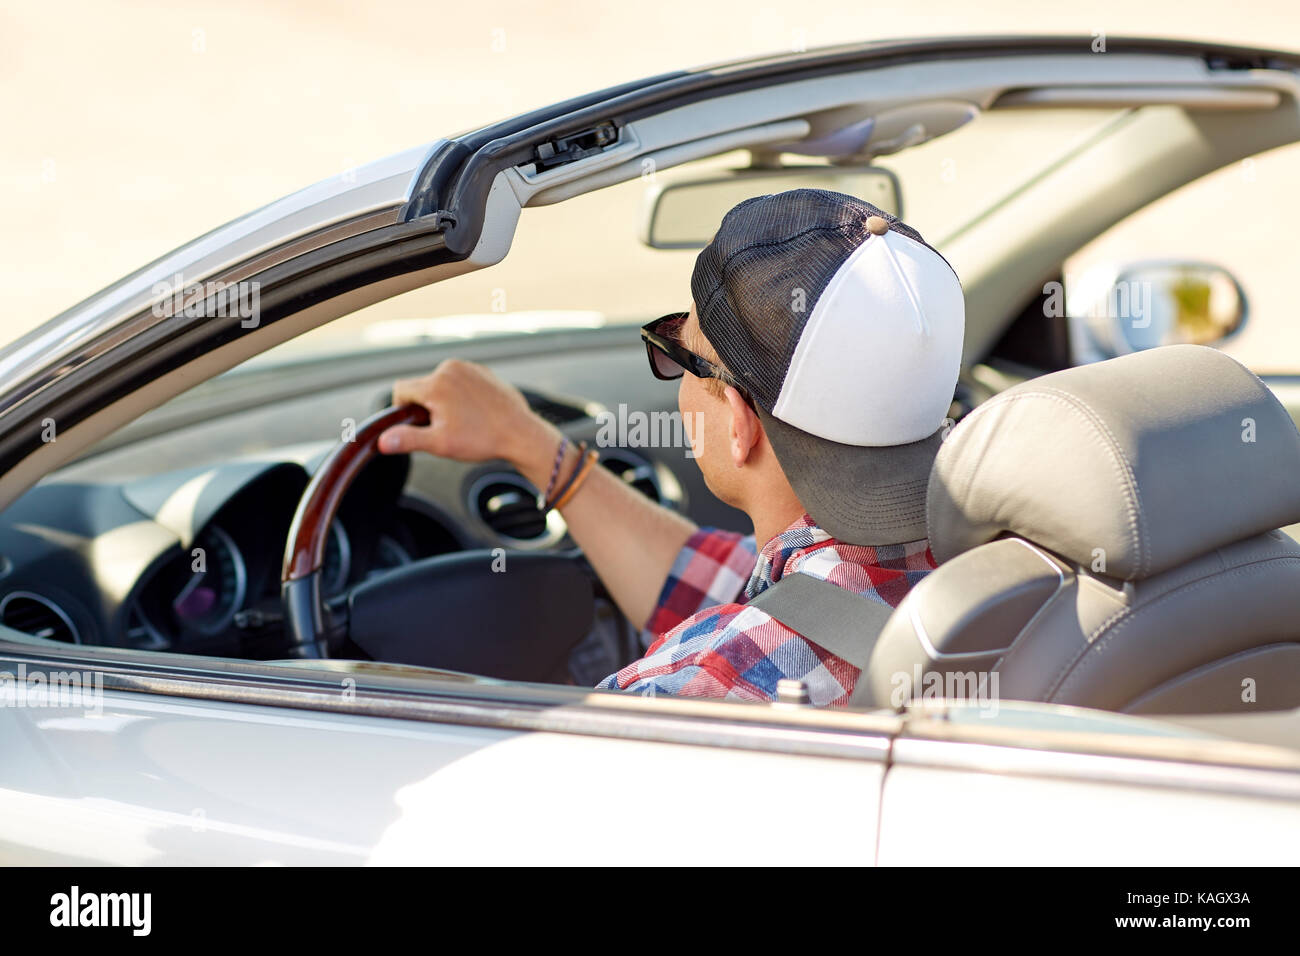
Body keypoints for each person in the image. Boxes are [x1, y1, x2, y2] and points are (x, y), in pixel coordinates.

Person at [377, 189, 965, 705]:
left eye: (680, 355)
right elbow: (747, 584)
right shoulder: (1011, 558)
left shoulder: (685, 694)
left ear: (739, 422)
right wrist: (525, 441)